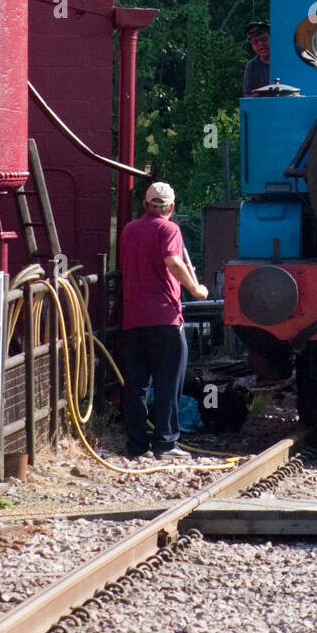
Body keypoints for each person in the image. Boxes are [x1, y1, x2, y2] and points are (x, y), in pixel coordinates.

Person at [119, 181, 208, 460]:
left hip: (133, 318)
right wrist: (196, 289)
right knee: (168, 382)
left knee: (136, 384)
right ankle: (165, 443)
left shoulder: (129, 230)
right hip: (165, 317)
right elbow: (172, 261)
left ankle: (136, 446)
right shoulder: (169, 229)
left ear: (145, 204)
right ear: (171, 206)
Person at [242, 21, 270, 94]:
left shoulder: (286, 59)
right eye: (255, 42)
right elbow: (247, 95)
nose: (260, 44)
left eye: (264, 40)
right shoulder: (251, 66)